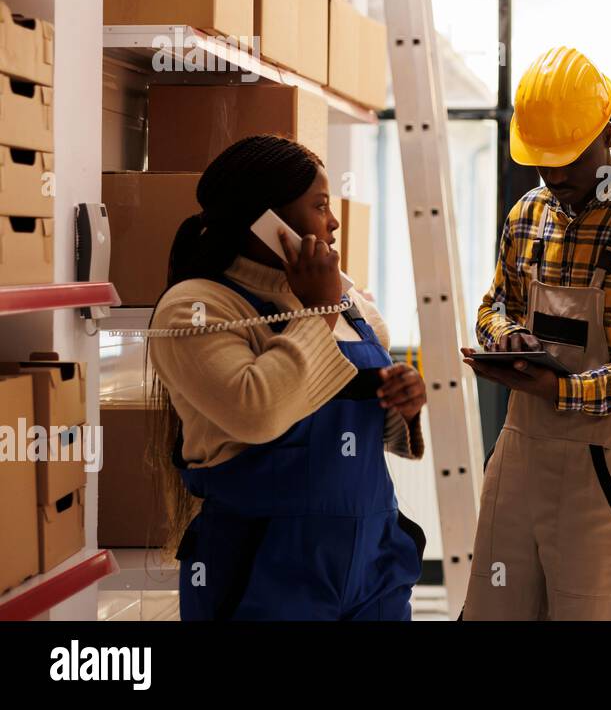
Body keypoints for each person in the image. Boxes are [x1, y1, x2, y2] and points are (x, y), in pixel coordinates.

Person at [460, 45, 611, 621]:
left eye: (568, 157)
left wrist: (568, 391)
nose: (555, 174)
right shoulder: (528, 215)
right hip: (518, 451)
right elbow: (496, 304)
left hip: (607, 466)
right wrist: (506, 337)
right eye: (541, 160)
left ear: (609, 135)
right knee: (494, 610)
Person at [147, 134, 429, 620]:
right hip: (264, 567)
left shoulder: (349, 300)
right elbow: (257, 412)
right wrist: (316, 308)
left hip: (371, 565)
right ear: (266, 221)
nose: (334, 222)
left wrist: (402, 406)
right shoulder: (195, 307)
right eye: (320, 206)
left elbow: (364, 427)